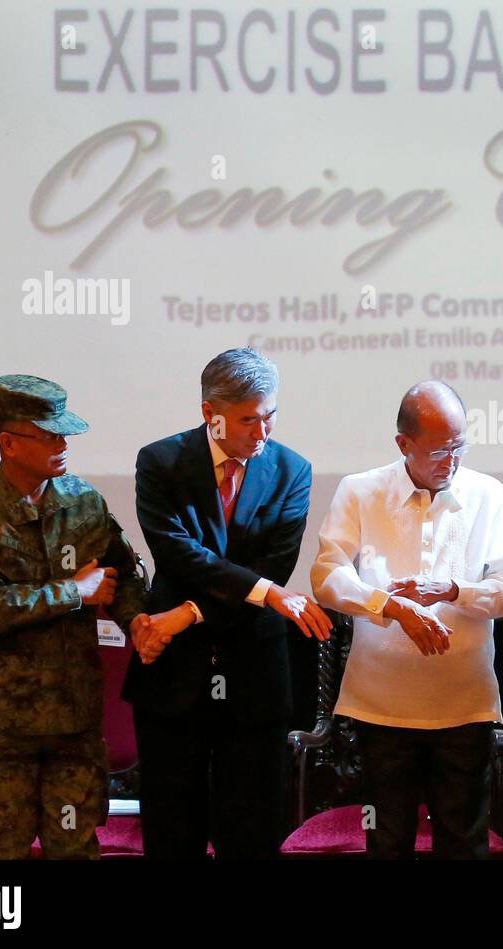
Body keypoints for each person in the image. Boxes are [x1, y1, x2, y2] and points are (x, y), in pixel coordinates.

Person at [0, 374, 152, 858]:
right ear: (8, 443)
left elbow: (124, 575)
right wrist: (74, 591)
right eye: (49, 436)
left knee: (75, 852)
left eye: (64, 435)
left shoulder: (83, 502)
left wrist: (136, 620)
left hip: (73, 726)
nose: (62, 444)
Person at [125, 348, 330, 859]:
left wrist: (187, 614)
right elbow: (178, 555)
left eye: (270, 416)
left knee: (252, 832)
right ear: (209, 413)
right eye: (247, 420)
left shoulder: (292, 470)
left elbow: (274, 565)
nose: (262, 432)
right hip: (172, 676)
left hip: (253, 675)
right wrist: (263, 592)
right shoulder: (161, 462)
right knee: (172, 832)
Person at [311, 381, 503, 858]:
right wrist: (390, 606)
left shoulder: (491, 496)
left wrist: (453, 590)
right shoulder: (360, 491)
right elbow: (327, 575)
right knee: (387, 840)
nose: (451, 461)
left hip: (464, 701)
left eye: (459, 446)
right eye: (438, 451)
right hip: (381, 703)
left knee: (464, 840)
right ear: (403, 444)